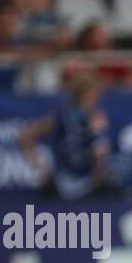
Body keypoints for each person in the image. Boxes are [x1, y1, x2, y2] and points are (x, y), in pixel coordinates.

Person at [18, 68, 111, 200]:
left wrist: (42, 172)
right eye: (97, 93)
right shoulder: (96, 117)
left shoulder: (59, 116)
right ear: (87, 94)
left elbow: (24, 137)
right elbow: (100, 153)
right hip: (87, 187)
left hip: (61, 187)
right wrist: (98, 180)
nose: (99, 97)